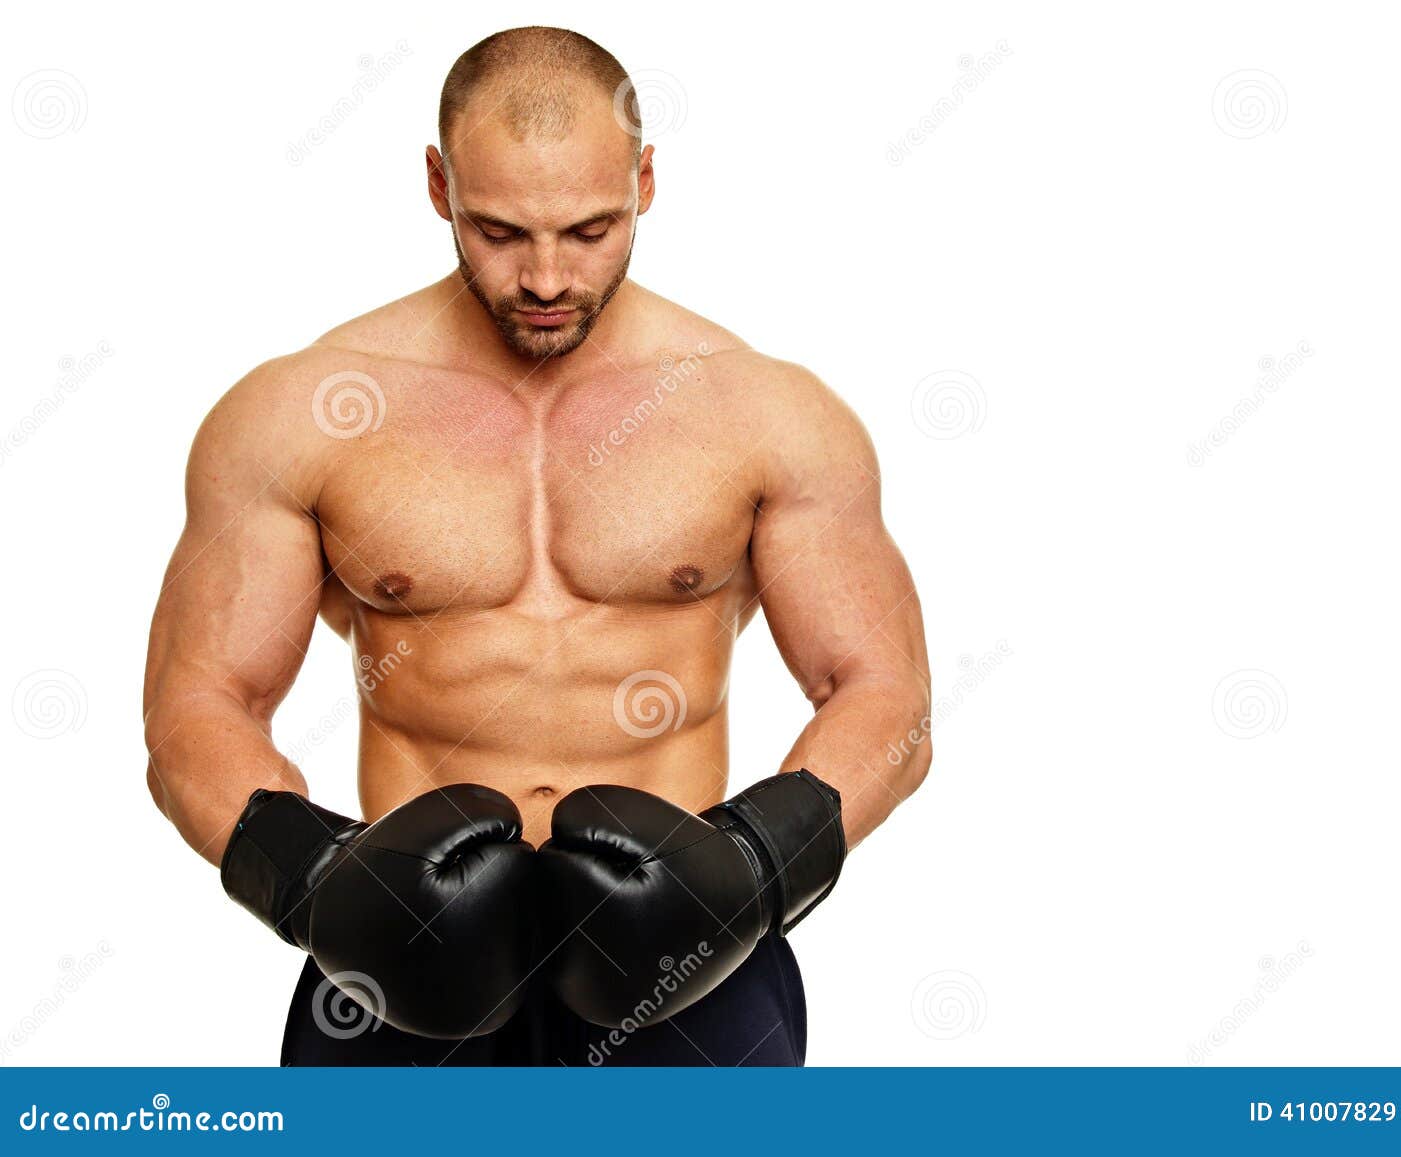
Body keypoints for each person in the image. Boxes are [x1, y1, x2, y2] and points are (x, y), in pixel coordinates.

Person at [142, 25, 931, 1067]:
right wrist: (319, 881)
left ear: (646, 181)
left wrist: (750, 866)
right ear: (437, 185)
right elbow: (200, 703)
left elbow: (883, 694)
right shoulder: (303, 412)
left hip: (692, 963)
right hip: (400, 965)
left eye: (590, 229)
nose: (548, 277)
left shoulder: (764, 412)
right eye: (501, 232)